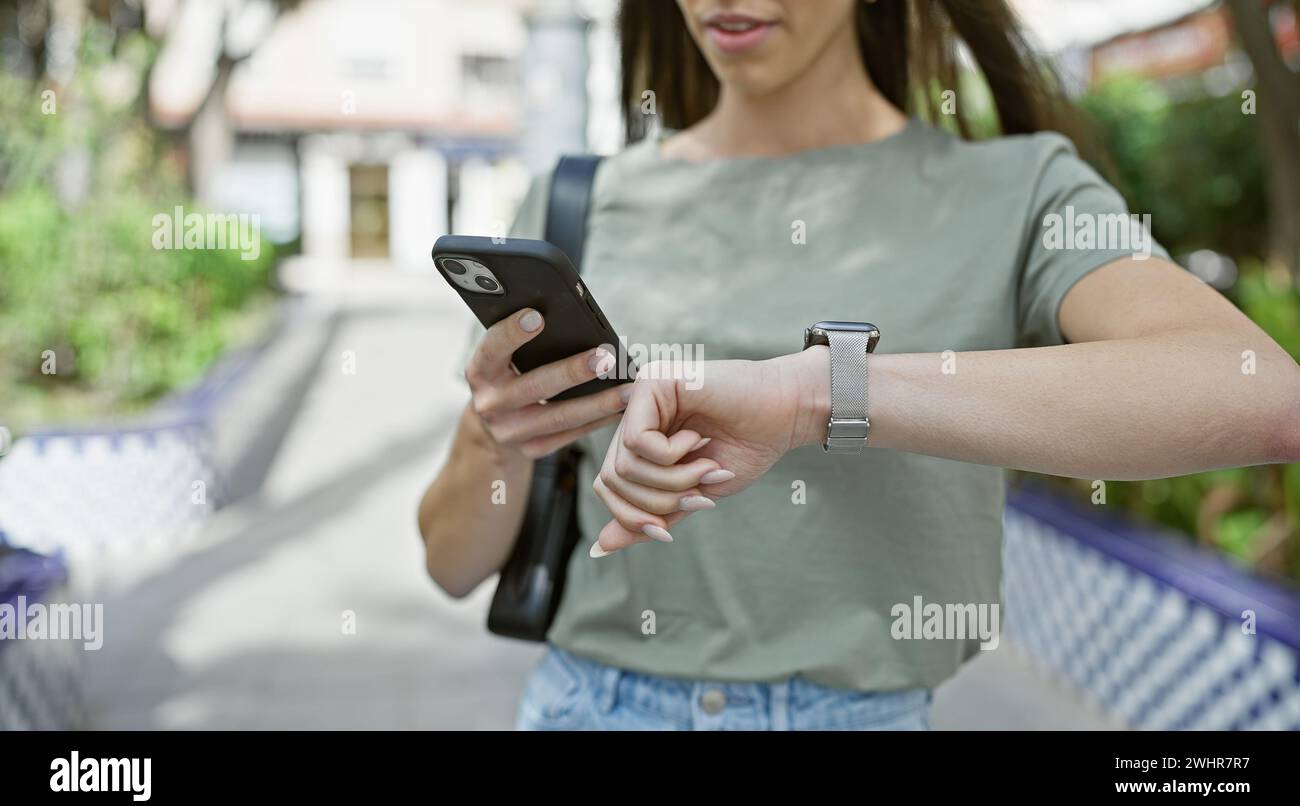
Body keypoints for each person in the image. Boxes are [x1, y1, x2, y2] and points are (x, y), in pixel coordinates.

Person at [418, 0, 1300, 730]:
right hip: (587, 705)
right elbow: (452, 565)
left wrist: (820, 396)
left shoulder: (1020, 189)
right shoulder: (578, 200)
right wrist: (495, 436)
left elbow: (1258, 390)